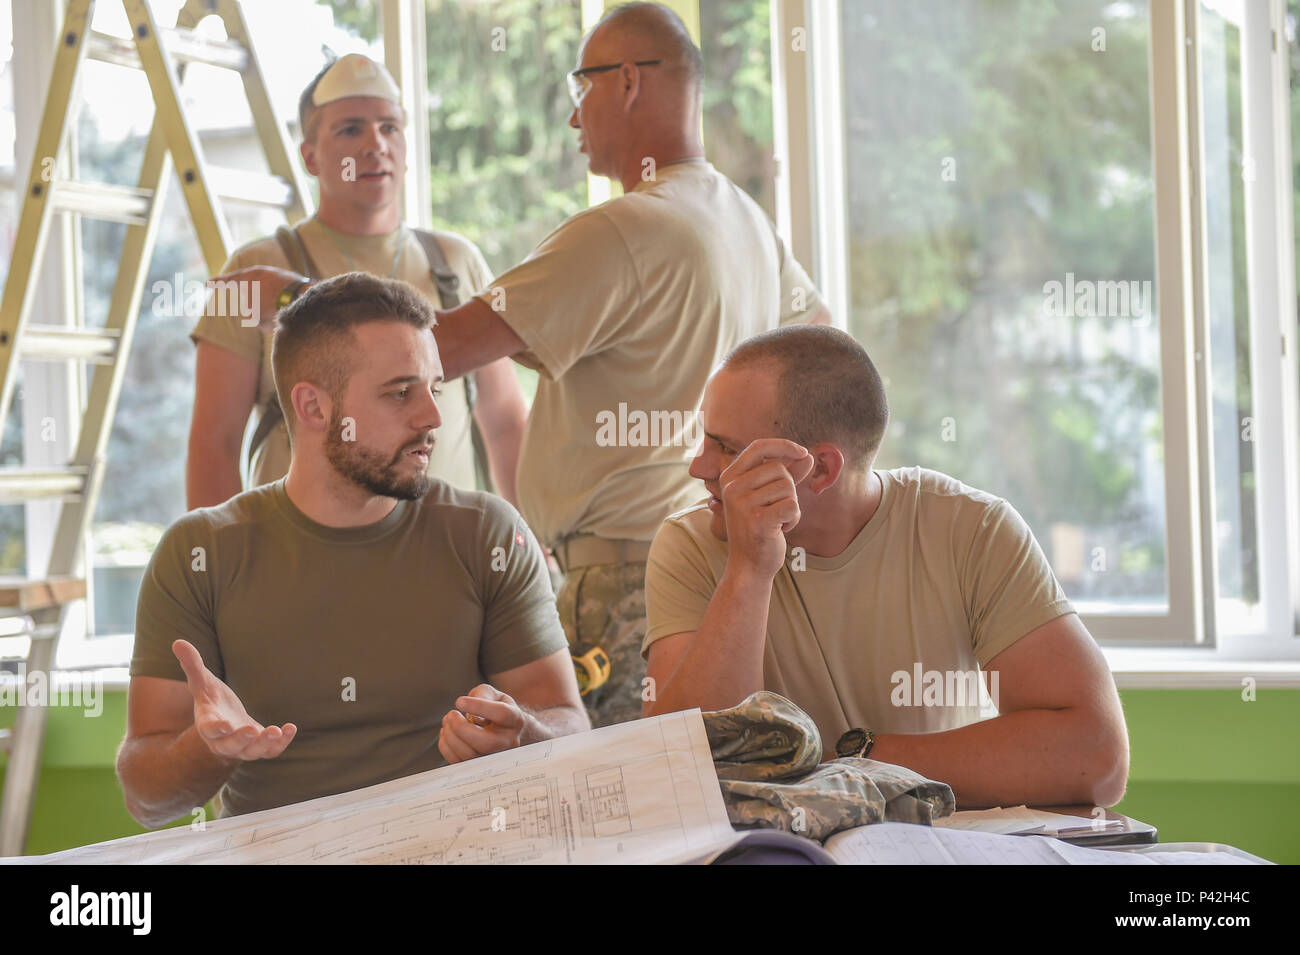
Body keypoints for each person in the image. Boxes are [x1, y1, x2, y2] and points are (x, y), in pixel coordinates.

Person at [219, 3, 830, 727]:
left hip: (620, 585)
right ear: (311, 151)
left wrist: (299, 299)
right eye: (351, 128)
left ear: (629, 83)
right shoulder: (748, 222)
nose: (575, 120)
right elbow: (825, 359)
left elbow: (436, 350)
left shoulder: (619, 230)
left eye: (583, 91)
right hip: (704, 561)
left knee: (614, 816)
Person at [117, 274, 588, 826]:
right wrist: (209, 746)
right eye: (399, 392)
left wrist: (525, 735)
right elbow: (147, 800)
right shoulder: (199, 552)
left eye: (435, 389)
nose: (432, 418)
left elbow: (569, 726)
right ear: (314, 408)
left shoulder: (486, 533)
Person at [641, 325, 1130, 809]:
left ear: (821, 469)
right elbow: (680, 774)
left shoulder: (971, 528)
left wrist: (857, 763)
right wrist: (748, 570)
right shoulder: (689, 545)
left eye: (726, 448)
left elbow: (1098, 760)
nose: (699, 467)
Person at [187, 53, 527, 510]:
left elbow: (503, 417)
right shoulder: (256, 268)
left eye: (389, 127)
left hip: (447, 562)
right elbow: (214, 441)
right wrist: (220, 563)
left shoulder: (455, 262)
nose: (375, 144)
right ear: (309, 156)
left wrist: (534, 540)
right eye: (350, 129)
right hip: (305, 565)